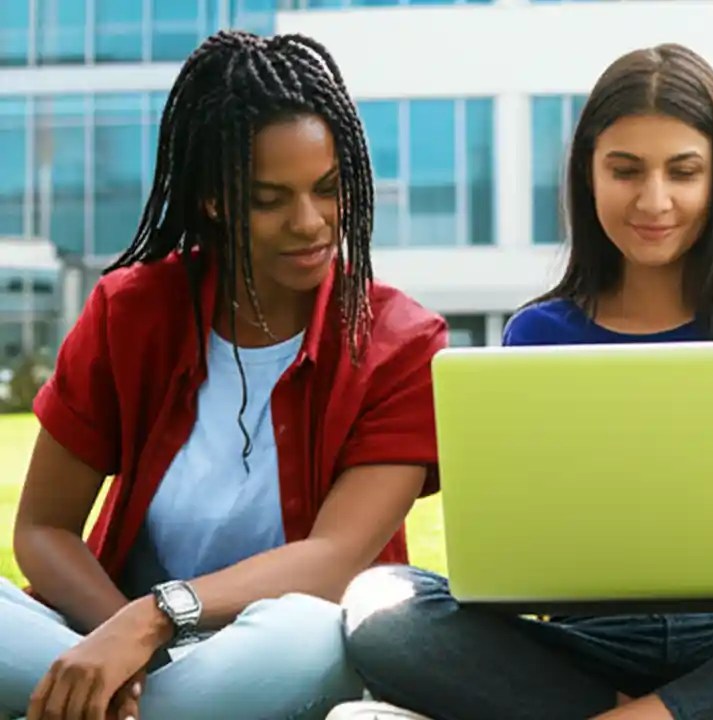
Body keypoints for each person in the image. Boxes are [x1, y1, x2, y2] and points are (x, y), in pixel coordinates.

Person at [330, 43, 713, 720]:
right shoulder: (537, 334)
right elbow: (521, 569)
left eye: (683, 172)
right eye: (626, 171)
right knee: (379, 606)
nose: (654, 200)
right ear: (588, 174)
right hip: (585, 646)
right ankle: (684, 712)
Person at [0, 30, 448, 720]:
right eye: (271, 199)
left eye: (329, 190)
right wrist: (123, 641)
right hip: (117, 636)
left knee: (310, 631)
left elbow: (331, 561)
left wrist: (155, 618)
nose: (311, 223)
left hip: (276, 652)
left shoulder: (398, 344)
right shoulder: (132, 312)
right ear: (213, 199)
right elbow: (43, 530)